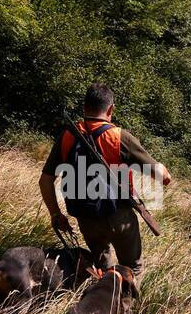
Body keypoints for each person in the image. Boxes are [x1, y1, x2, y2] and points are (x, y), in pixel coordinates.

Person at [39, 84, 171, 280]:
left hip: (86, 217)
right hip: (119, 216)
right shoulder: (119, 137)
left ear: (84, 107)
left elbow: (45, 180)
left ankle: (104, 296)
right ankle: (127, 298)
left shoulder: (67, 136)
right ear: (110, 109)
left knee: (102, 270)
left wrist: (56, 214)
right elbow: (162, 176)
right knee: (132, 268)